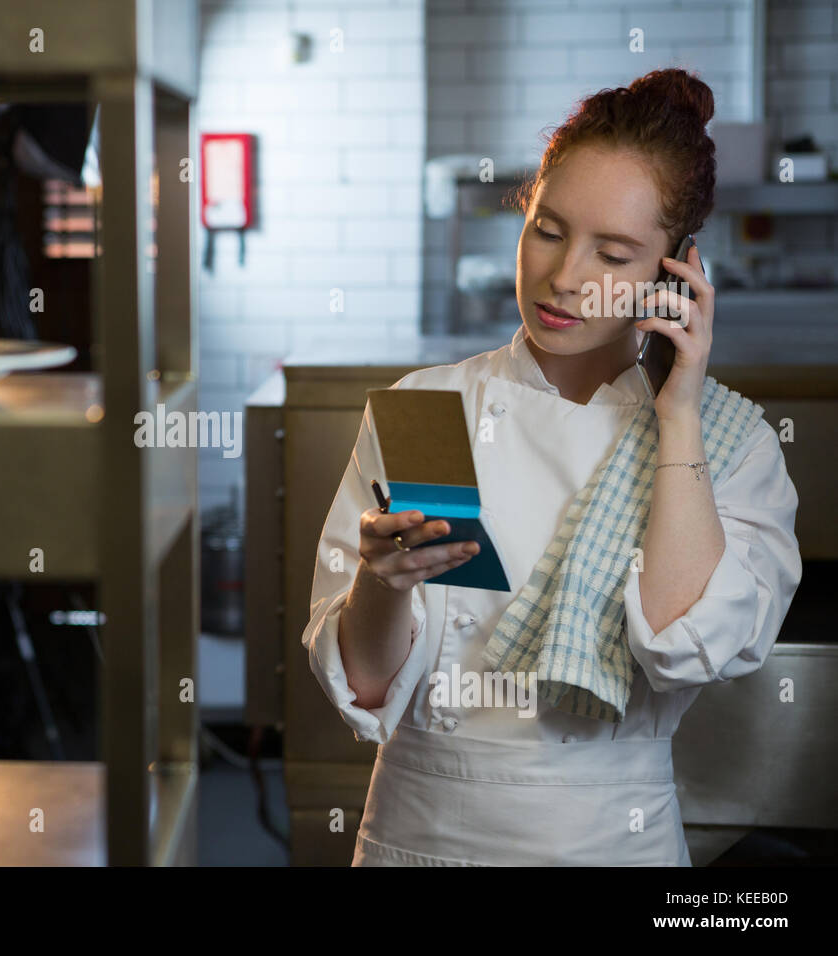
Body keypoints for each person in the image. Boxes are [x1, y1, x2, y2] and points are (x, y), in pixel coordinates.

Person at [302, 69, 802, 866]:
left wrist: (676, 414)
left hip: (611, 843)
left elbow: (683, 643)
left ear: (675, 272)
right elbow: (362, 690)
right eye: (546, 228)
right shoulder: (429, 409)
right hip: (415, 833)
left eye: (614, 252)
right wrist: (381, 583)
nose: (565, 277)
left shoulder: (729, 447)